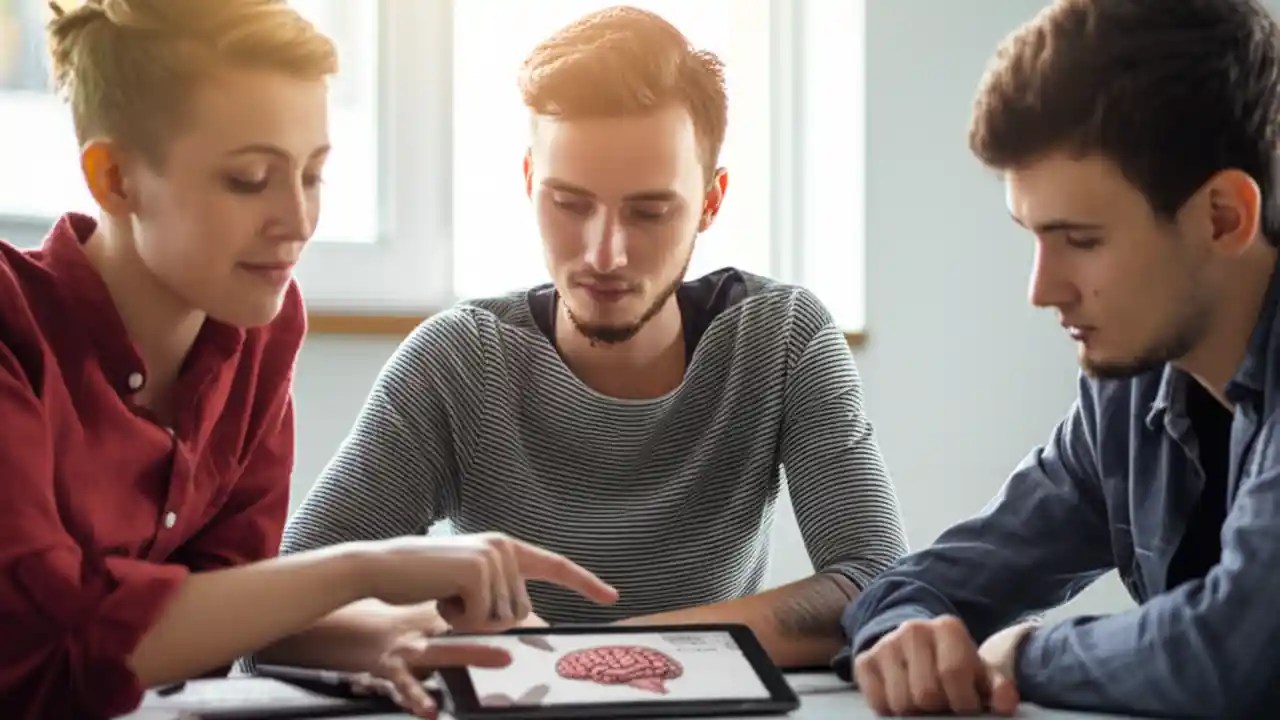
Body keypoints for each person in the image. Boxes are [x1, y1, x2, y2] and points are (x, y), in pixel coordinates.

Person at [260, 3, 907, 698]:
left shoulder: (780, 341)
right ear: (530, 181)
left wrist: (596, 655)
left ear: (712, 202)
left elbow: (876, 582)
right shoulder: (459, 362)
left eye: (649, 212)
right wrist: (444, 625)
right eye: (569, 204)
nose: (606, 253)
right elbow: (277, 607)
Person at [0, 2, 617, 718]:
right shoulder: (14, 335)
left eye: (313, 175)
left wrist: (385, 640)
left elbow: (223, 605)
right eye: (249, 179)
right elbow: (46, 649)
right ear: (114, 180)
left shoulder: (257, 328)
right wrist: (364, 568)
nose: (296, 222)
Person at [839, 0, 1280, 716]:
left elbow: (1234, 652)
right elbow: (920, 584)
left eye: (1081, 240)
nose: (1041, 291)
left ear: (1223, 217)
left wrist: (1020, 653)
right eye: (1032, 234)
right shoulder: (1129, 395)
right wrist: (906, 638)